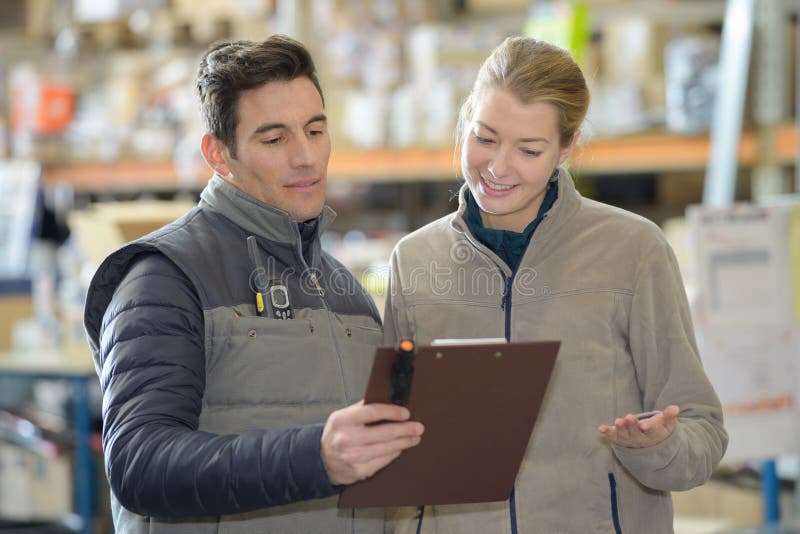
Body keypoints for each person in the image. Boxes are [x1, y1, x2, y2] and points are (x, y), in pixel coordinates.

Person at [383, 36, 727, 534]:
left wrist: (659, 447)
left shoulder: (634, 250)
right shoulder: (413, 260)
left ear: (566, 147)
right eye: (484, 138)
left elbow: (703, 432)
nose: (499, 168)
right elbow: (392, 441)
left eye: (528, 149)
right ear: (464, 123)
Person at [83, 35, 424, 534]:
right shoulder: (165, 278)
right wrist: (314, 457)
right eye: (275, 139)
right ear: (219, 154)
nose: (306, 157)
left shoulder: (348, 293)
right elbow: (139, 462)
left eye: (315, 130)